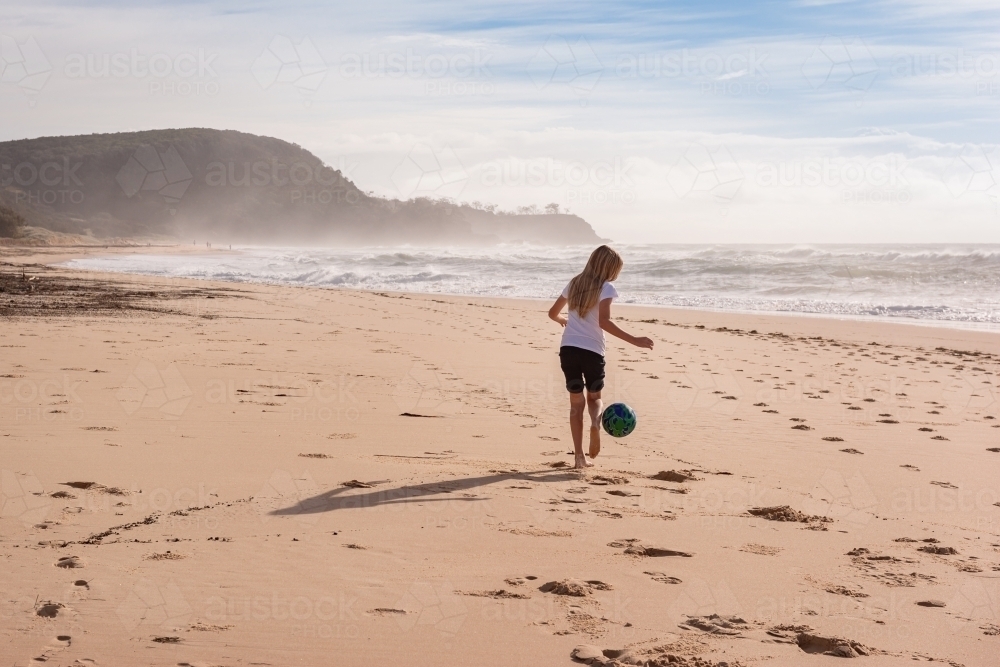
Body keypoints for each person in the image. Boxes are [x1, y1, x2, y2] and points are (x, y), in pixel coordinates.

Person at [548, 245, 654, 468]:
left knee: (576, 405)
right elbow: (603, 321)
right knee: (594, 398)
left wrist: (561, 321)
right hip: (592, 351)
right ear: (610, 268)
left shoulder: (574, 283)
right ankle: (595, 424)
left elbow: (552, 313)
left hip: (568, 350)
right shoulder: (606, 288)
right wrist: (634, 340)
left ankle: (579, 457)